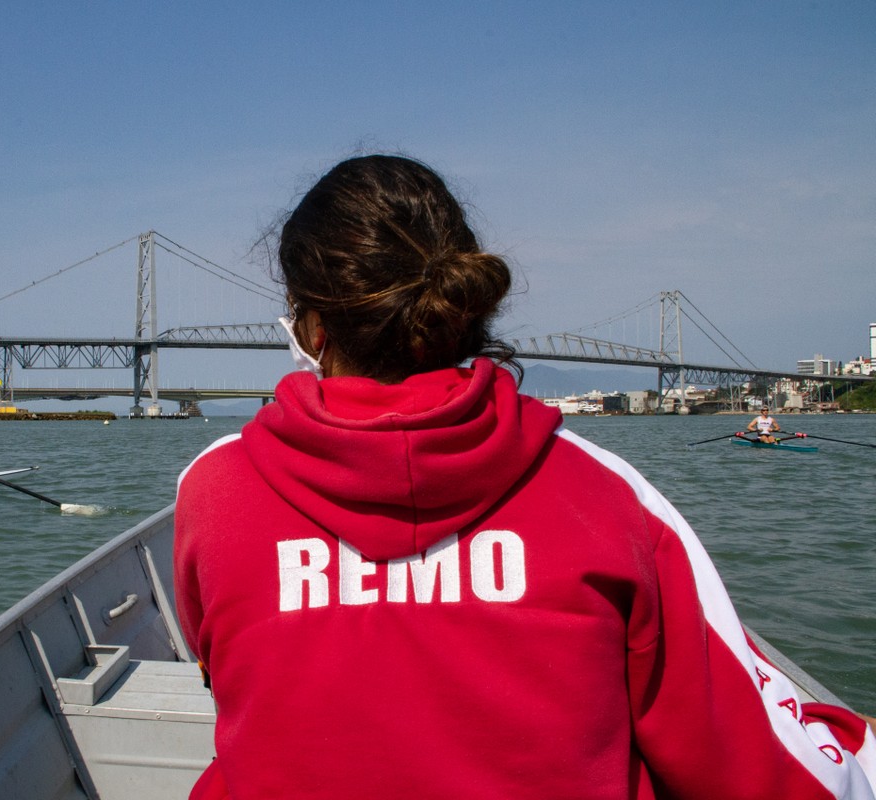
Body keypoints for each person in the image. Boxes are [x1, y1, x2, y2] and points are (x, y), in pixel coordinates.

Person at [173, 155, 876, 799]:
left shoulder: (211, 494)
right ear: (464, 302)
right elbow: (763, 770)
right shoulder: (606, 495)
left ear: (312, 326)